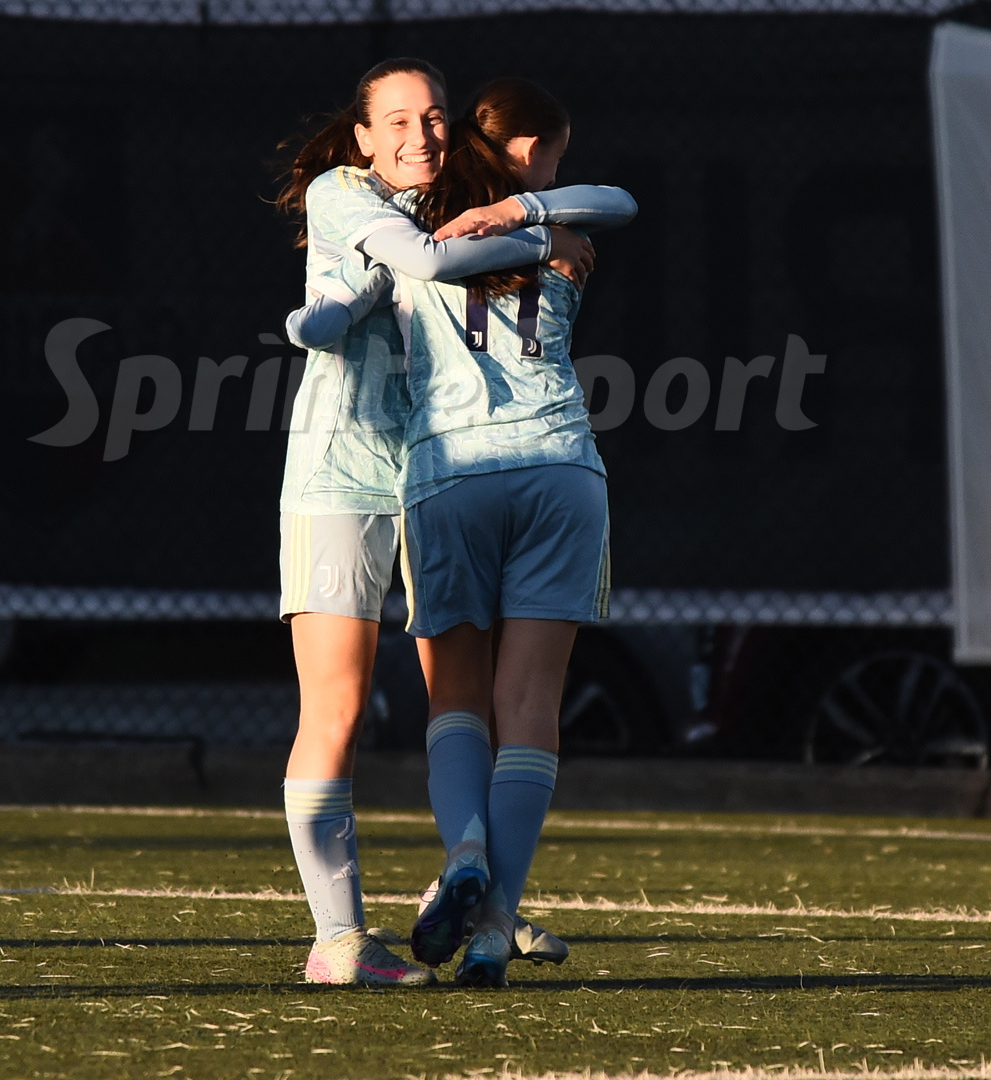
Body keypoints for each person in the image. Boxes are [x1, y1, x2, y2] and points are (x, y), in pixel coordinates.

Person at [271, 58, 601, 988]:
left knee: (456, 700)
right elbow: (409, 268)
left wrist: (519, 217)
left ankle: (481, 879)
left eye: (438, 117)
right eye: (401, 120)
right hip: (340, 477)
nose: (423, 134)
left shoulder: (449, 201)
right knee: (336, 708)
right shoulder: (347, 191)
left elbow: (589, 204)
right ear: (365, 135)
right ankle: (337, 940)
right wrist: (529, 230)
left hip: (433, 471)